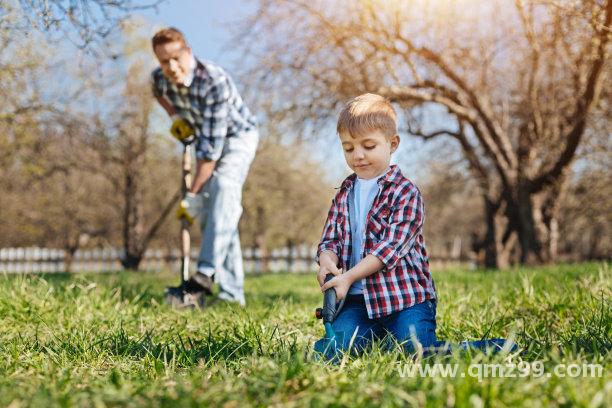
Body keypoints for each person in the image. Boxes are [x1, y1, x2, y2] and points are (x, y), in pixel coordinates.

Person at [315, 93, 438, 355]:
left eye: (368, 146)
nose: (357, 155)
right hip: (358, 301)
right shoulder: (344, 193)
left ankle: (496, 349)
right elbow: (330, 239)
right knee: (333, 351)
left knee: (416, 349)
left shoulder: (405, 192)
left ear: (392, 143)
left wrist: (348, 277)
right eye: (348, 148)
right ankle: (374, 336)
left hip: (405, 299)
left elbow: (389, 249)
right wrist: (327, 260)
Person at [151, 27, 258, 306]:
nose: (171, 67)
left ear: (188, 52)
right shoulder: (160, 78)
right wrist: (175, 116)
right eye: (164, 61)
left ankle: (204, 274)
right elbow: (157, 91)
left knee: (223, 186)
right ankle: (232, 296)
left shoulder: (212, 81)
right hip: (207, 141)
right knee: (223, 210)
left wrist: (193, 196)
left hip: (238, 137)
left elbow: (209, 155)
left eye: (176, 58)